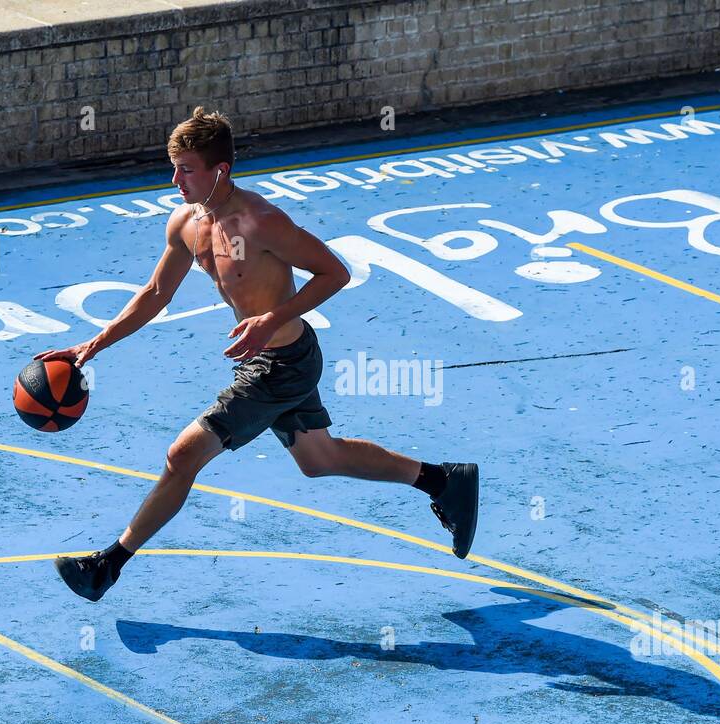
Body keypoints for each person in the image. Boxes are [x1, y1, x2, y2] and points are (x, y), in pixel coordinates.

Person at [35, 107, 479, 602]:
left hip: (281, 362)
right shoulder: (187, 222)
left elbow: (335, 273)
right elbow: (156, 293)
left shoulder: (261, 221)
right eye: (174, 166)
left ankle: (106, 566)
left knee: (182, 456)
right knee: (319, 458)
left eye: (186, 168)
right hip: (271, 360)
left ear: (218, 170)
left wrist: (270, 319)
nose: (175, 179)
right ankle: (442, 480)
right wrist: (92, 345)